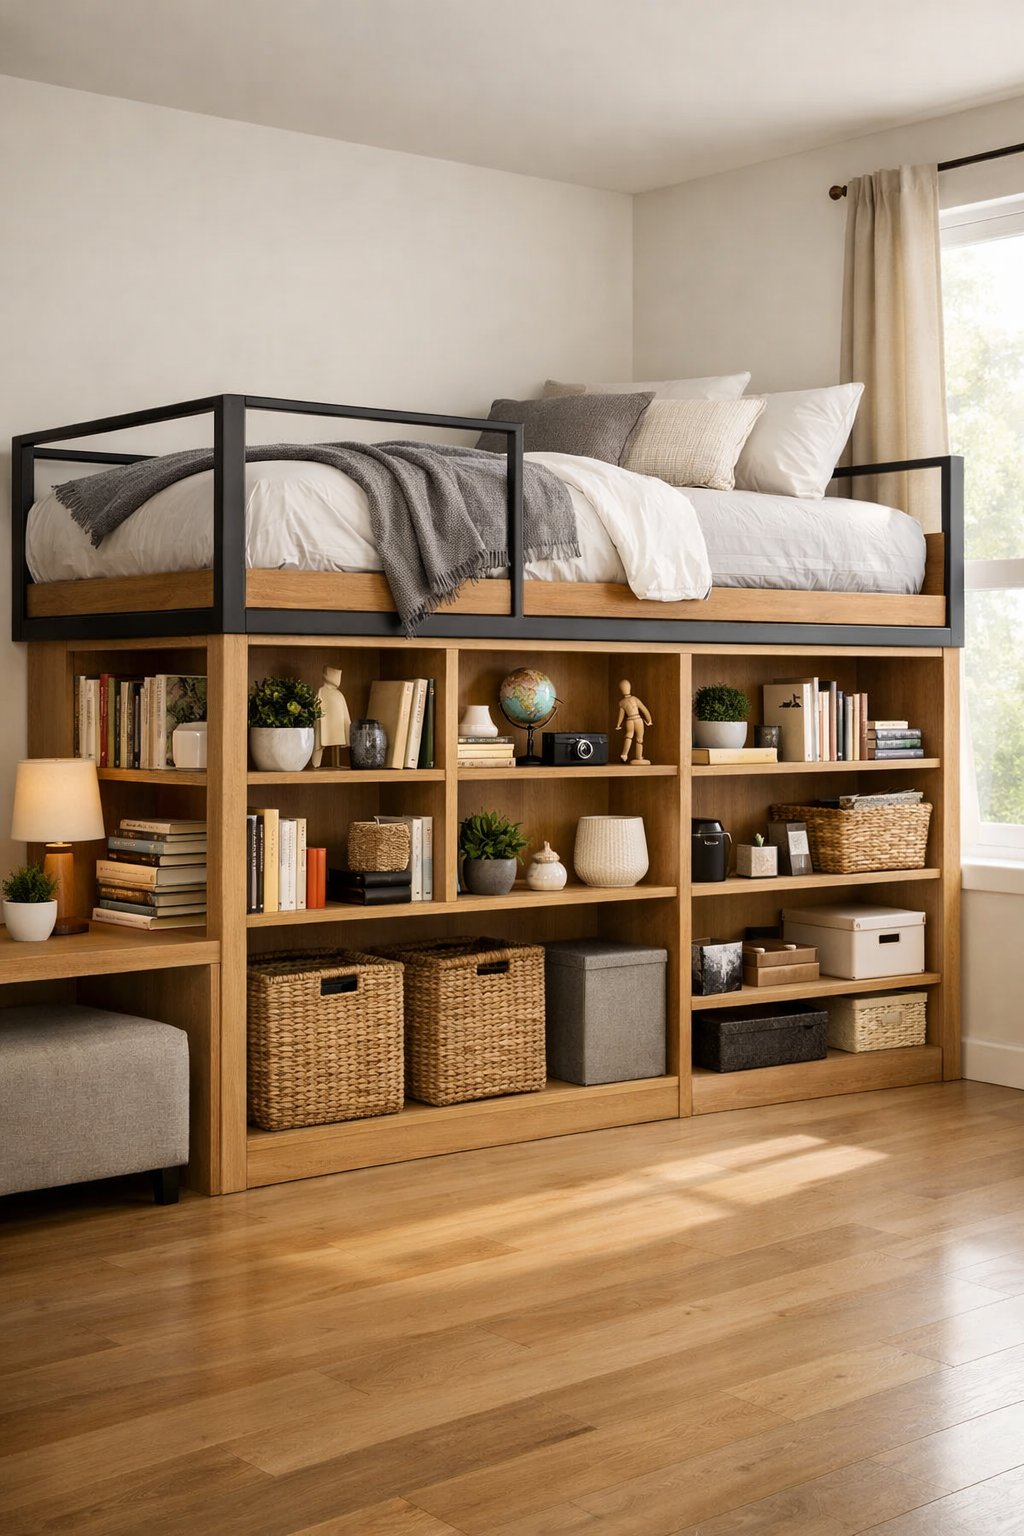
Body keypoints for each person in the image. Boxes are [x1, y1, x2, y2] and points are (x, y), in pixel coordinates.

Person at [312, 666, 351, 768]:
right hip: (325, 723)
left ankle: (337, 762)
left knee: (336, 744)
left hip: (337, 726)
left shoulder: (339, 694)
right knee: (320, 740)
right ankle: (316, 764)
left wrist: (347, 726)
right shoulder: (321, 691)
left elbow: (344, 713)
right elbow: (316, 706)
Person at [615, 678, 653, 764]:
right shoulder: (635, 699)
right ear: (629, 688)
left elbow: (621, 716)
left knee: (628, 736)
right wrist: (649, 719)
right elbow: (644, 709)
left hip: (629, 720)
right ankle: (638, 756)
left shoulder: (622, 702)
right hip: (637, 719)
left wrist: (618, 725)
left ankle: (624, 755)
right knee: (639, 739)